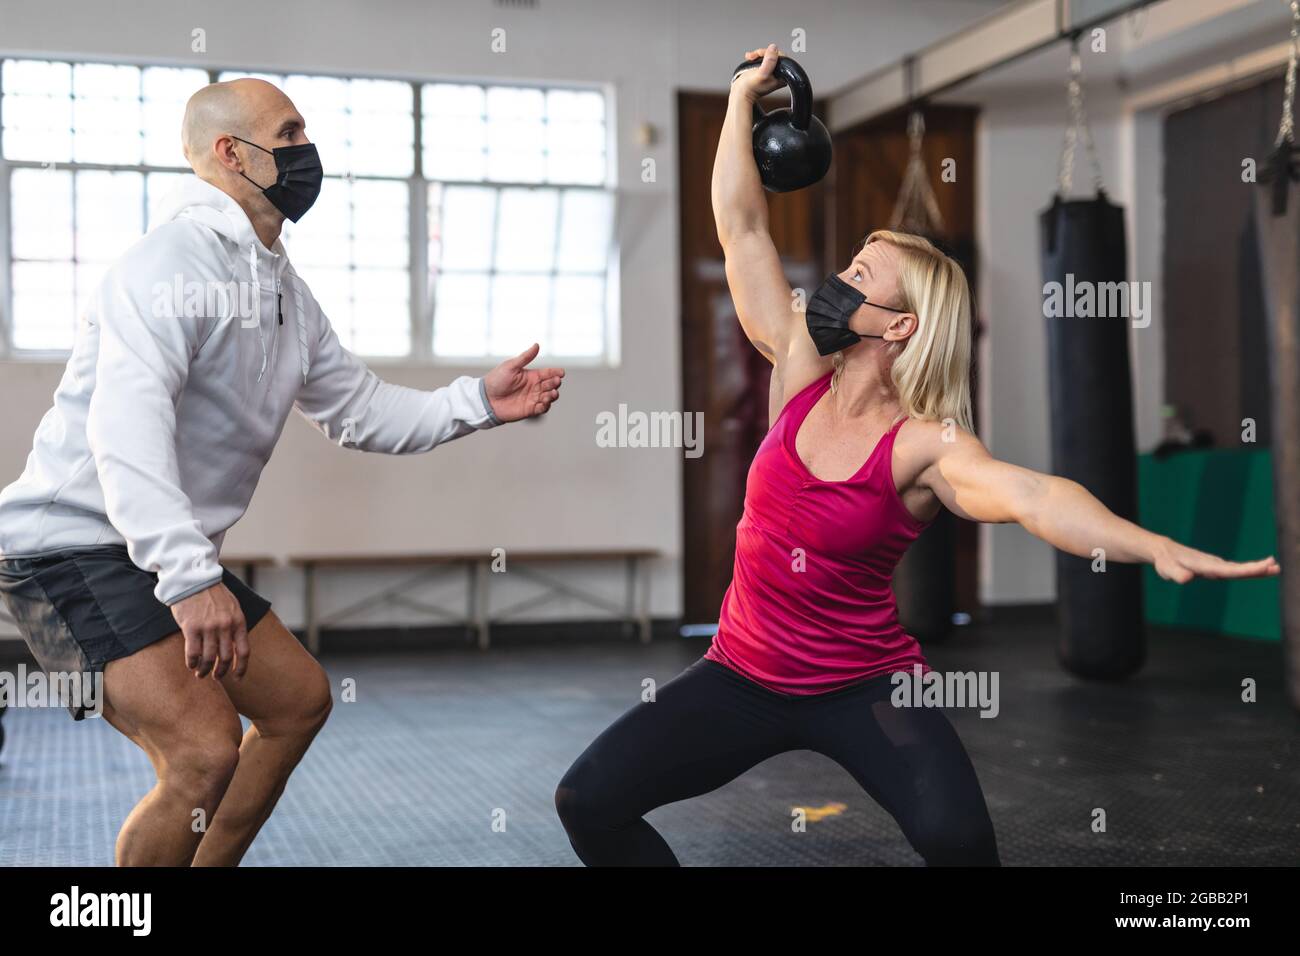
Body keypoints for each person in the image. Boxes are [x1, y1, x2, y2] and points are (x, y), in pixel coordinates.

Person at [553, 44, 1279, 866]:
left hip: (866, 689)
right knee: (588, 801)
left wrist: (1149, 544)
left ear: (898, 326)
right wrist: (736, 103)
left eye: (861, 275)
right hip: (740, 674)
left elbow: (1035, 495)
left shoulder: (926, 445)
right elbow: (742, 224)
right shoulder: (799, 371)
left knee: (962, 844)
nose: (836, 280)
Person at [0, 78, 564, 866]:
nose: (307, 150)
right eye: (289, 132)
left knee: (297, 701)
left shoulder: (282, 290)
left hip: (152, 547)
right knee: (202, 753)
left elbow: (360, 410)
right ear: (232, 153)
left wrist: (477, 400)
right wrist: (192, 580)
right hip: (73, 545)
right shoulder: (167, 264)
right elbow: (126, 429)